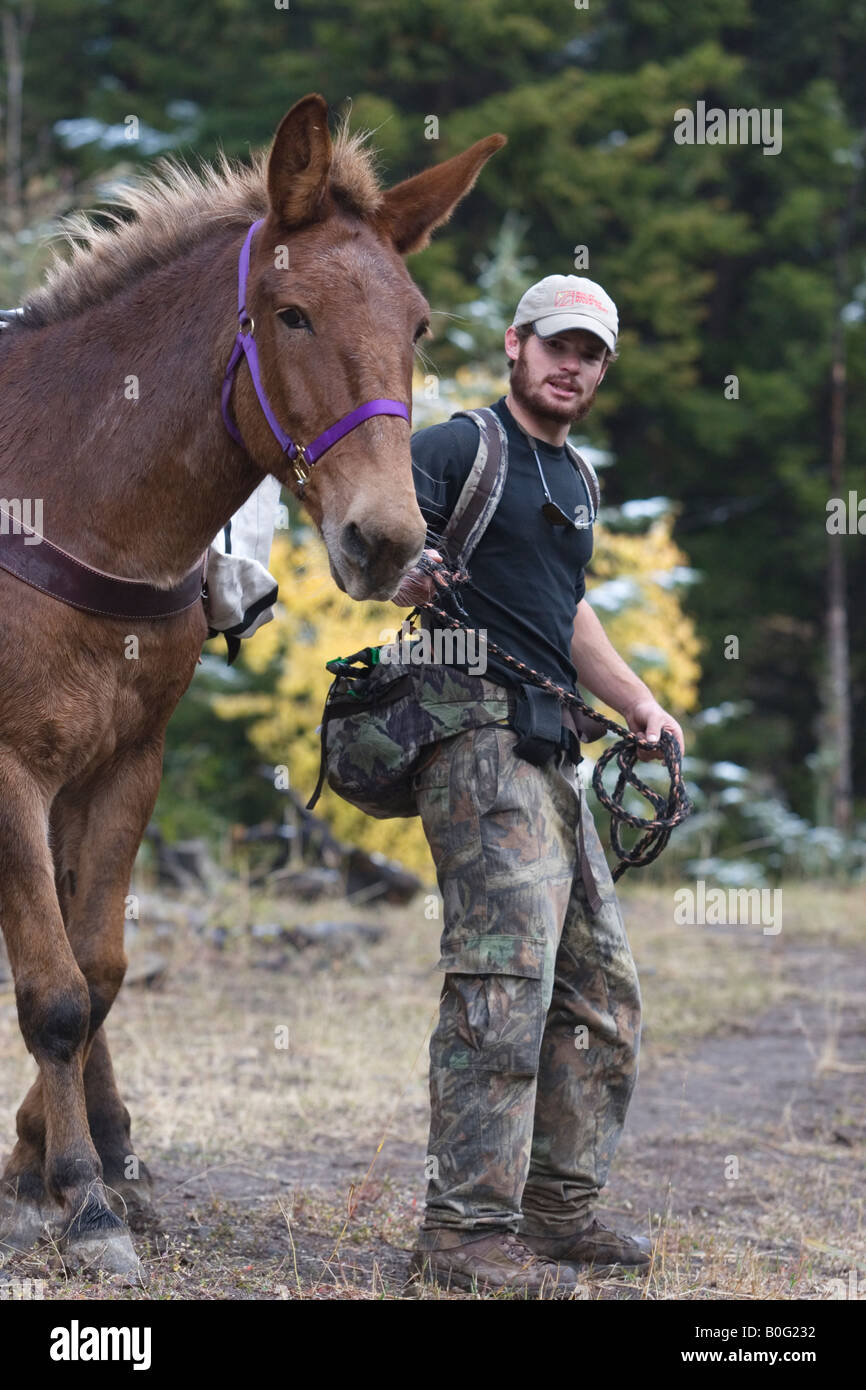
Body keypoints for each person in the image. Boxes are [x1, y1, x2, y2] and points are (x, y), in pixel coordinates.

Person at [397, 274, 686, 1295]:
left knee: (602, 997)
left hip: (552, 754)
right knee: (501, 990)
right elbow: (360, 540)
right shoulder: (454, 447)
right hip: (472, 742)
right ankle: (461, 1232)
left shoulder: (574, 480)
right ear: (515, 344)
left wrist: (638, 700)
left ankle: (553, 1212)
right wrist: (405, 566)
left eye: (591, 352)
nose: (572, 364)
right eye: (556, 344)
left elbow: (564, 616)